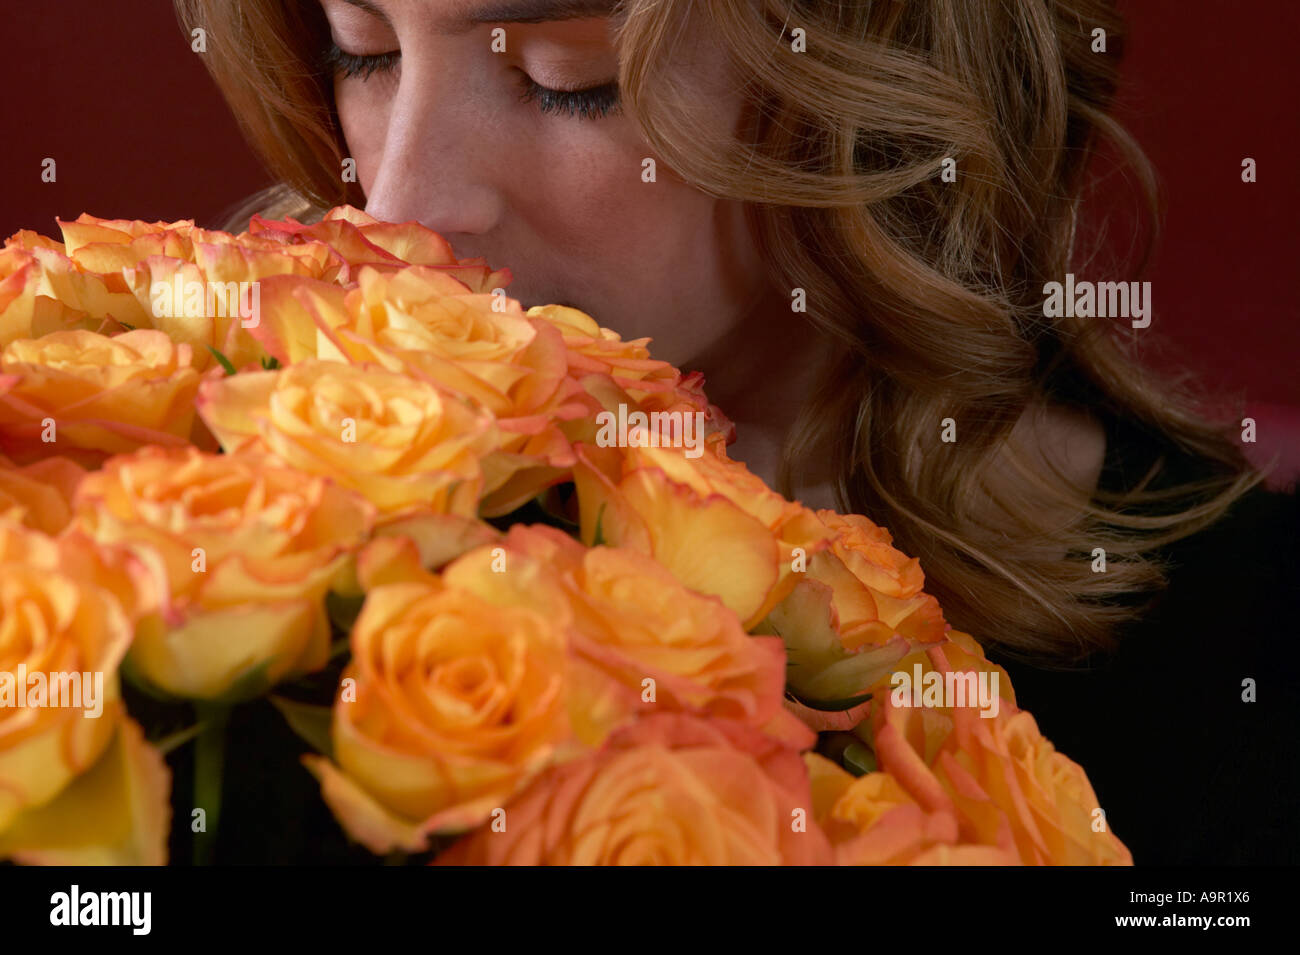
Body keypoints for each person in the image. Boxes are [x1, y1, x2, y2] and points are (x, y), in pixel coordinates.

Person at [173, 0, 1298, 863]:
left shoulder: (1244, 654)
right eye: (362, 49)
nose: (402, 203)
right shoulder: (201, 502)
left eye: (567, 73)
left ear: (875, 71)